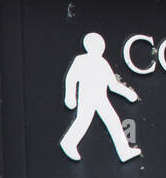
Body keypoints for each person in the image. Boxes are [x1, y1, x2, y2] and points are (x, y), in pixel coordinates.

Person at [59, 32, 142, 163]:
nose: (100, 47)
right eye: (96, 45)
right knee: (83, 120)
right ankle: (68, 143)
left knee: (113, 121)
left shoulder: (103, 62)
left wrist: (128, 94)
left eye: (100, 45)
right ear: (89, 46)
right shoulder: (81, 60)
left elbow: (113, 85)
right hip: (87, 97)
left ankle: (124, 151)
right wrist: (70, 97)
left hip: (101, 98)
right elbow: (71, 78)